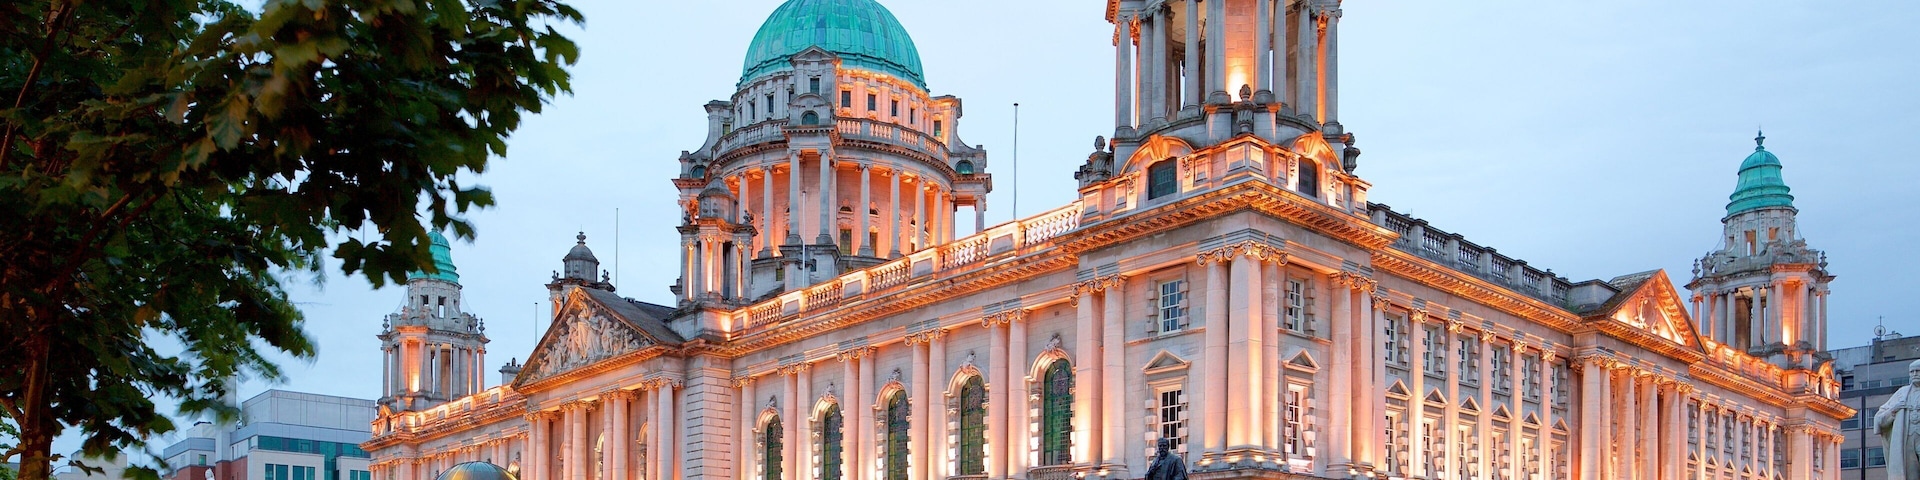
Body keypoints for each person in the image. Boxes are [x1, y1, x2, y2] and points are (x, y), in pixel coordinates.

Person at [1876, 359, 1920, 480]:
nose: (1915, 374)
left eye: (1918, 371)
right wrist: (1894, 410)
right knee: (1911, 474)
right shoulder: (1902, 393)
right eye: (1912, 372)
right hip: (1907, 438)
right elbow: (1880, 417)